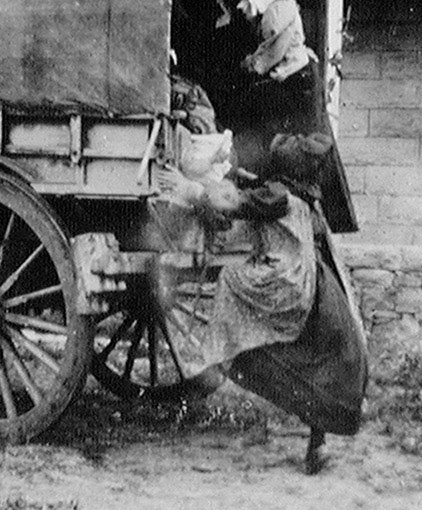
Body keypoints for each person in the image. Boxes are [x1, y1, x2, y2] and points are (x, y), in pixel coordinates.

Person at [156, 132, 368, 475]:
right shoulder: (304, 195)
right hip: (313, 280)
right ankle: (318, 442)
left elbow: (233, 204)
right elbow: (257, 198)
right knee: (311, 358)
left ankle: (222, 353)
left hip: (283, 282)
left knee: (230, 280)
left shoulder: (278, 195)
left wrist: (191, 188)